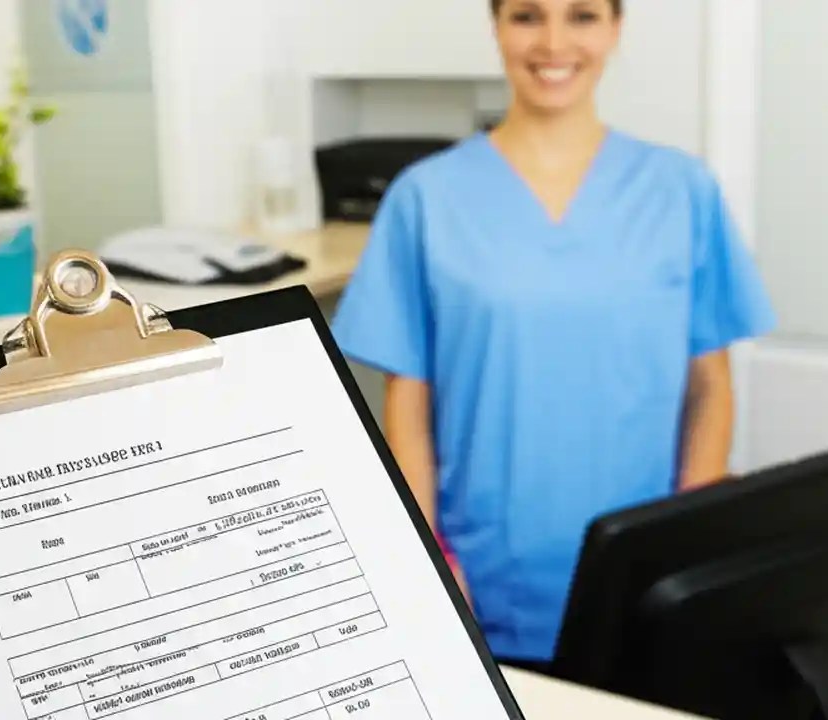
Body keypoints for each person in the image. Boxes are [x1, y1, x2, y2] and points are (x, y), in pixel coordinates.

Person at [330, 0, 776, 666]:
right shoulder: (426, 198)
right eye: (527, 15)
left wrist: (688, 548)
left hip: (645, 575)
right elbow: (409, 403)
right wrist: (424, 563)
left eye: (583, 15)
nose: (554, 42)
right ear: (497, 26)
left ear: (617, 29)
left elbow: (709, 388)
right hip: (486, 578)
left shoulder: (681, 190)